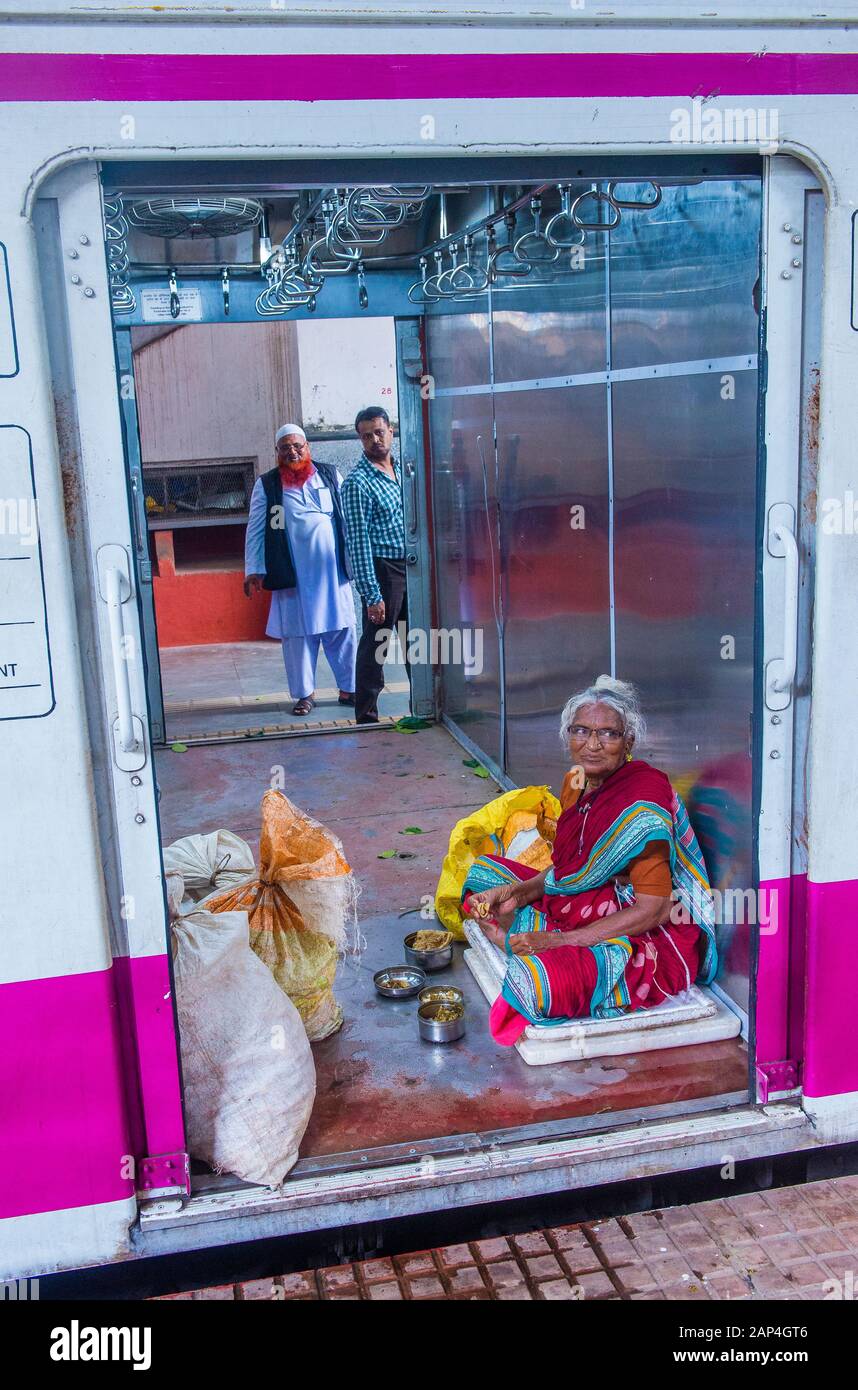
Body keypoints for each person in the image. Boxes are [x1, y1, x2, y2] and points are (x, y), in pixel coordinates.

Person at [462, 675, 718, 1045]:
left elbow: (657, 909)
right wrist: (520, 892)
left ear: (628, 741)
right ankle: (520, 932)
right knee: (482, 878)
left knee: (537, 984)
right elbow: (572, 868)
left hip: (642, 930)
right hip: (581, 902)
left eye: (609, 734)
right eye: (581, 731)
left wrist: (559, 941)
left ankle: (521, 943)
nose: (593, 745)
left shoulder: (642, 802)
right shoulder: (576, 781)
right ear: (568, 737)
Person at [244, 423, 355, 716]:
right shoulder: (268, 484)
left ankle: (349, 688)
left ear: (308, 447)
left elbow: (348, 520)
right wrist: (254, 569)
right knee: (297, 635)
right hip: (292, 573)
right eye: (286, 448)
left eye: (298, 446)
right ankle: (305, 695)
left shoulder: (329, 474)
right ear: (277, 452)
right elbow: (256, 529)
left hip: (332, 572)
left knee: (342, 629)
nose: (293, 452)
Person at [340, 407, 409, 724]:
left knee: (417, 640)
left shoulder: (405, 469)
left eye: (379, 432)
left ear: (391, 431)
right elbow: (358, 541)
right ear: (359, 439)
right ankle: (366, 715)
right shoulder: (357, 483)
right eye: (366, 435)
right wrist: (372, 594)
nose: (374, 439)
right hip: (383, 570)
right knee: (376, 643)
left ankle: (424, 707)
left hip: (412, 565)